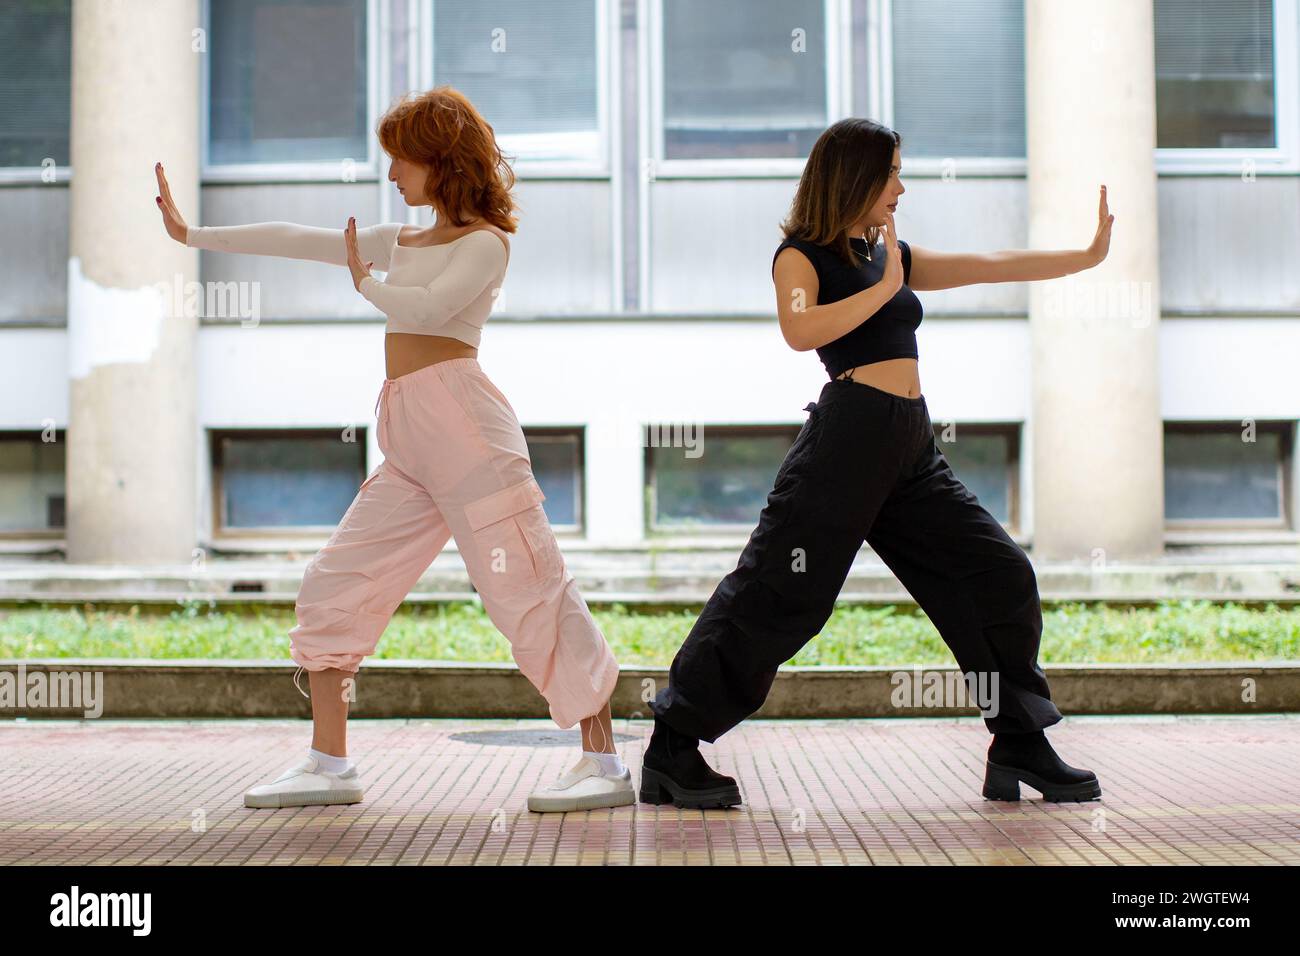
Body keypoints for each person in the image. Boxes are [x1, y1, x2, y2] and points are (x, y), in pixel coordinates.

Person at [154, 86, 632, 813]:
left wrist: (367, 281)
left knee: (529, 589)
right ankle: (328, 764)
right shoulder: (399, 240)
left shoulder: (485, 244)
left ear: (439, 160)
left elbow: (430, 309)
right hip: (411, 438)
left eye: (400, 161)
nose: (391, 177)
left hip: (468, 434)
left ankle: (603, 763)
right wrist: (193, 236)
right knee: (334, 584)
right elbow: (295, 237)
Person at [642, 118, 1113, 809]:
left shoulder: (884, 252)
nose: (901, 185)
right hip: (847, 440)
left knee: (995, 574)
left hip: (907, 445)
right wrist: (885, 283)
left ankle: (1019, 740)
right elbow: (800, 330)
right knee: (781, 591)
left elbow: (990, 263)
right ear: (854, 176)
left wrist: (1083, 256)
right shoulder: (801, 255)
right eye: (892, 171)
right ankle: (673, 746)